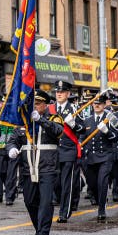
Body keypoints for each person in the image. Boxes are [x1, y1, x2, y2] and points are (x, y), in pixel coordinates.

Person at [6, 89, 64, 235]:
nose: (34, 107)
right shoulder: (23, 121)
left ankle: (43, 234)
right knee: (30, 201)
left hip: (47, 167)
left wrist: (40, 120)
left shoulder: (54, 118)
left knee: (45, 202)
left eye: (37, 104)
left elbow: (58, 132)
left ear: (45, 105)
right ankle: (39, 229)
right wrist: (11, 148)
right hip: (28, 167)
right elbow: (13, 139)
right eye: (32, 104)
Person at [49, 80, 85, 223]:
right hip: (53, 151)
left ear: (68, 94)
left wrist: (74, 124)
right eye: (57, 91)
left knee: (66, 184)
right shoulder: (50, 109)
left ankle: (65, 211)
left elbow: (83, 129)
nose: (59, 94)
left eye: (62, 92)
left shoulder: (74, 109)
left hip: (68, 150)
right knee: (55, 183)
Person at [81, 93, 118, 221]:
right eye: (95, 104)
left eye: (99, 104)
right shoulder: (87, 120)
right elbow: (82, 138)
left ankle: (101, 209)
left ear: (104, 105)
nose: (97, 106)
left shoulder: (110, 118)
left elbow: (115, 137)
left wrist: (107, 131)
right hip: (91, 157)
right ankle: (98, 199)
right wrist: (81, 147)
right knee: (92, 183)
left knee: (102, 182)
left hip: (105, 156)